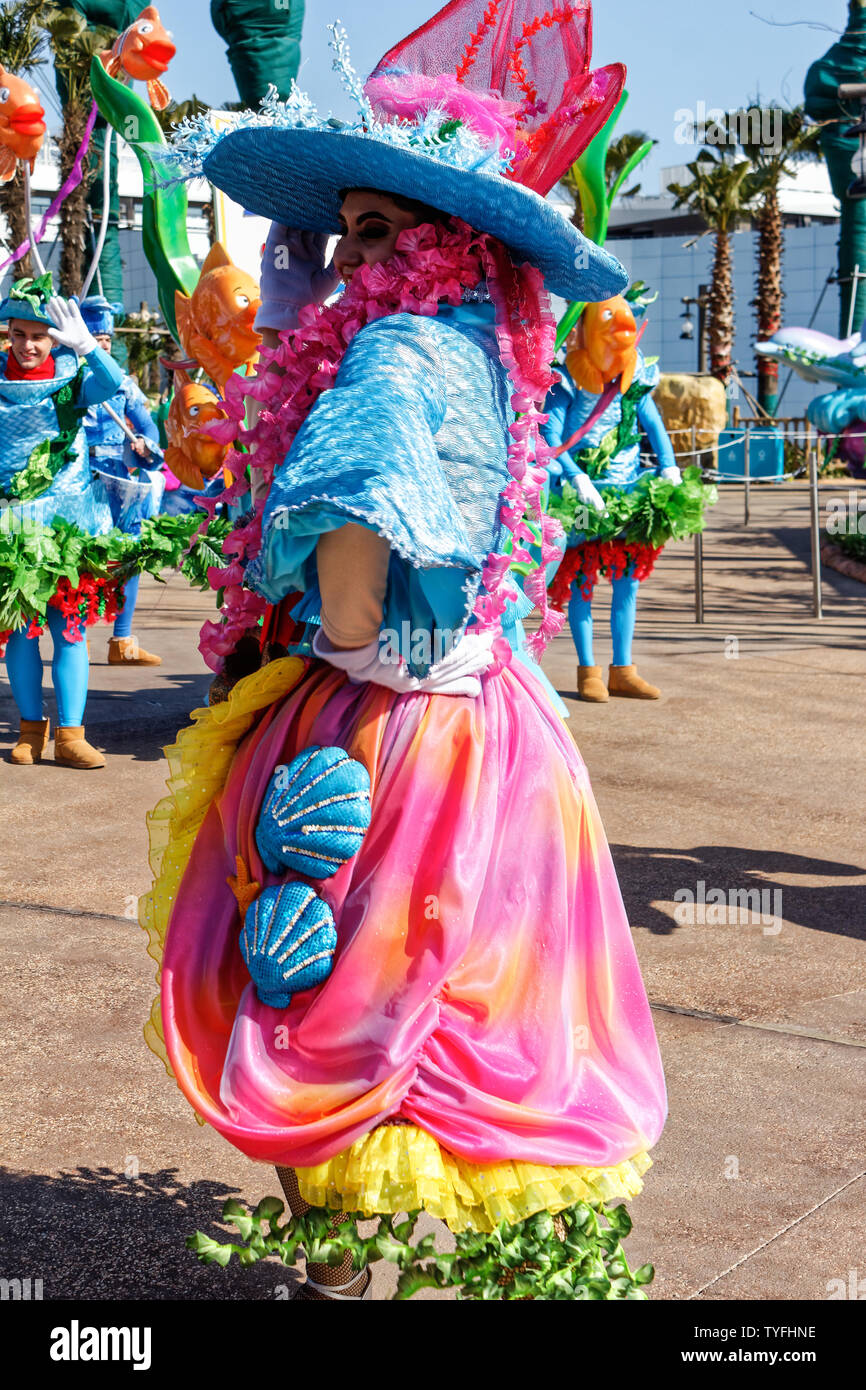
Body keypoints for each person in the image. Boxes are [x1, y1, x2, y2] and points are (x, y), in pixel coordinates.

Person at [141, 1, 666, 1301]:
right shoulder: (490, 348)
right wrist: (293, 315)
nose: (341, 252)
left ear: (444, 243)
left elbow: (358, 489)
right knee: (472, 1005)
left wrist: (343, 624)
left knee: (318, 994)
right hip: (498, 719)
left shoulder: (391, 349)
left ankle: (333, 1271)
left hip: (386, 722)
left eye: (374, 229)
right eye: (345, 228)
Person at [0, 275, 126, 769]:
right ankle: (31, 728)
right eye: (19, 334)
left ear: (54, 338)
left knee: (69, 630)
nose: (29, 344)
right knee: (21, 632)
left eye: (40, 335)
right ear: (7, 334)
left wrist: (90, 350)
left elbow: (113, 383)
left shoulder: (71, 383)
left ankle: (71, 734)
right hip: (12, 529)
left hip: (68, 529)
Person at [542, 294, 682, 702]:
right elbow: (551, 440)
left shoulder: (635, 377)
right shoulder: (567, 378)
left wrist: (669, 466)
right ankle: (589, 671)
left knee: (627, 582)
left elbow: (653, 426)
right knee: (582, 581)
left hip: (628, 492)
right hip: (582, 500)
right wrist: (576, 477)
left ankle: (623, 669)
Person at [80, 294, 164, 666]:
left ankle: (122, 641)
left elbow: (149, 429)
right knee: (82, 559)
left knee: (131, 557)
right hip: (81, 480)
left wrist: (146, 444)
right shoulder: (72, 382)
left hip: (122, 479)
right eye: (95, 340)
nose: (103, 346)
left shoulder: (126, 386)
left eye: (107, 341)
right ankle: (75, 638)